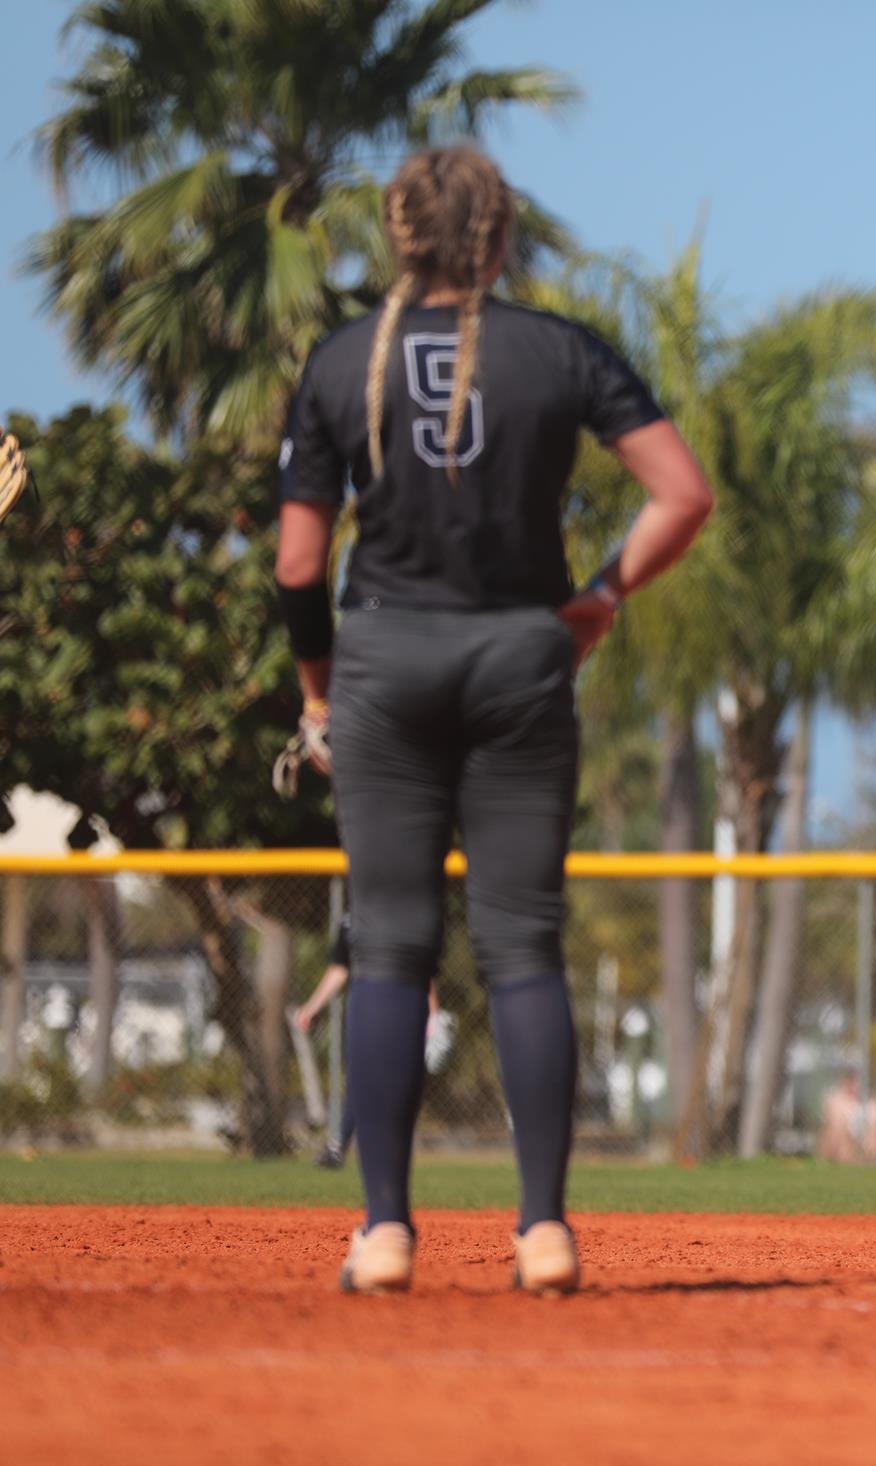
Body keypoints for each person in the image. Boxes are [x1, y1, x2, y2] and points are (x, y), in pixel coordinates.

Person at [274, 145, 713, 1296]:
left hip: (383, 660)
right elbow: (683, 492)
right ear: (502, 237)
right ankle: (544, 1229)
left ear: (398, 234)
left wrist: (318, 690)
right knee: (521, 944)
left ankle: (383, 1232)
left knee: (388, 944)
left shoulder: (337, 363)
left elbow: (297, 562)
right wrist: (600, 599)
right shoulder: (558, 351)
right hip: (522, 652)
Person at [291, 912, 451, 1170]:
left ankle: (376, 1147)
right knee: (361, 1079)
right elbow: (340, 968)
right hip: (365, 1007)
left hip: (405, 1006)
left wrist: (434, 1016)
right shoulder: (350, 920)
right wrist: (312, 1007)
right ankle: (341, 1145)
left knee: (397, 1083)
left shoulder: (404, 910)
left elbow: (423, 968)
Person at [817, 1069, 876, 1163]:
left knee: (873, 1135)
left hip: (865, 1137)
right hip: (843, 1139)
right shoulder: (836, 1101)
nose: (853, 1086)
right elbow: (833, 1124)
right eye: (850, 1081)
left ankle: (868, 1161)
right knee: (840, 1134)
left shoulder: (872, 1103)